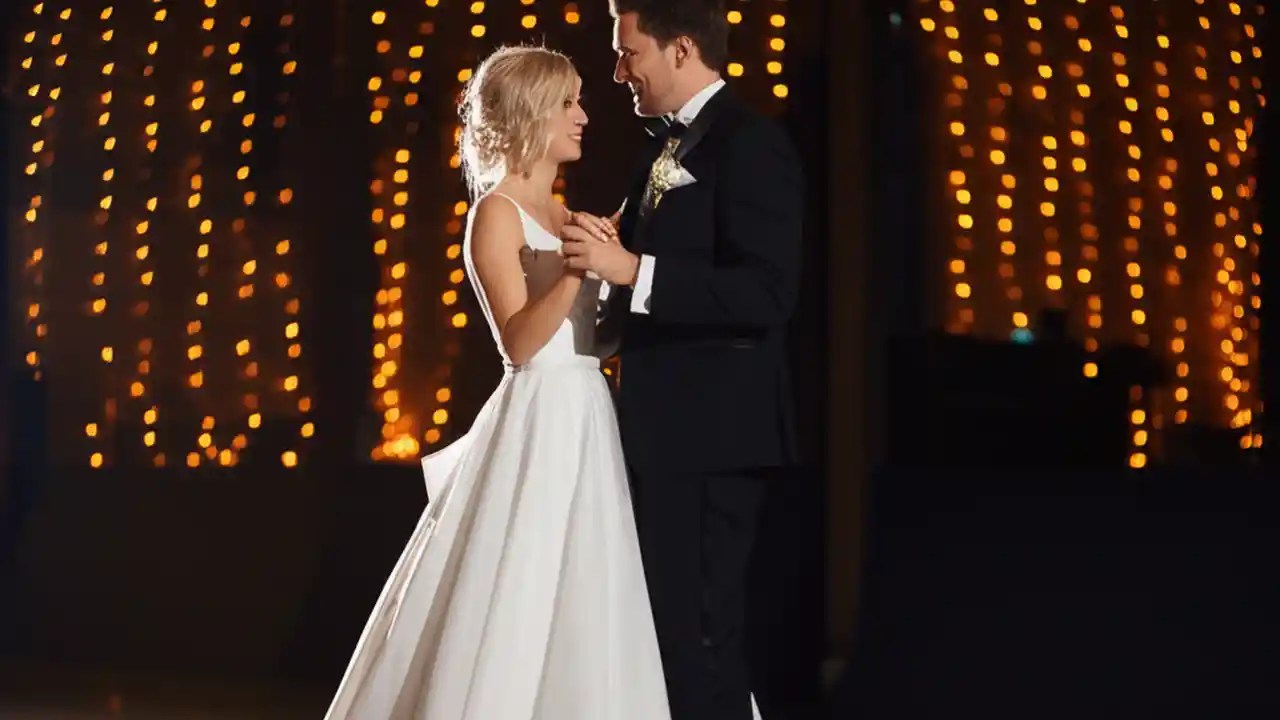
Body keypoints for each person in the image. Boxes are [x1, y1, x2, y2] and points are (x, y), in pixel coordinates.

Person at [323, 45, 671, 720]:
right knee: (520, 585)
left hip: (587, 413)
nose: (583, 116)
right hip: (538, 420)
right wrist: (576, 269)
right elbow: (517, 341)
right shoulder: (497, 213)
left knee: (587, 591)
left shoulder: (567, 215)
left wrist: (617, 279)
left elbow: (588, 342)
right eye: (568, 103)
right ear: (528, 114)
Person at [560, 1, 804, 719]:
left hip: (714, 437)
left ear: (681, 48)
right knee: (667, 636)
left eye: (627, 52)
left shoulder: (750, 143)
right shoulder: (663, 149)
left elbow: (769, 291)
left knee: (700, 638)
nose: (617, 71)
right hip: (665, 436)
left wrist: (636, 270)